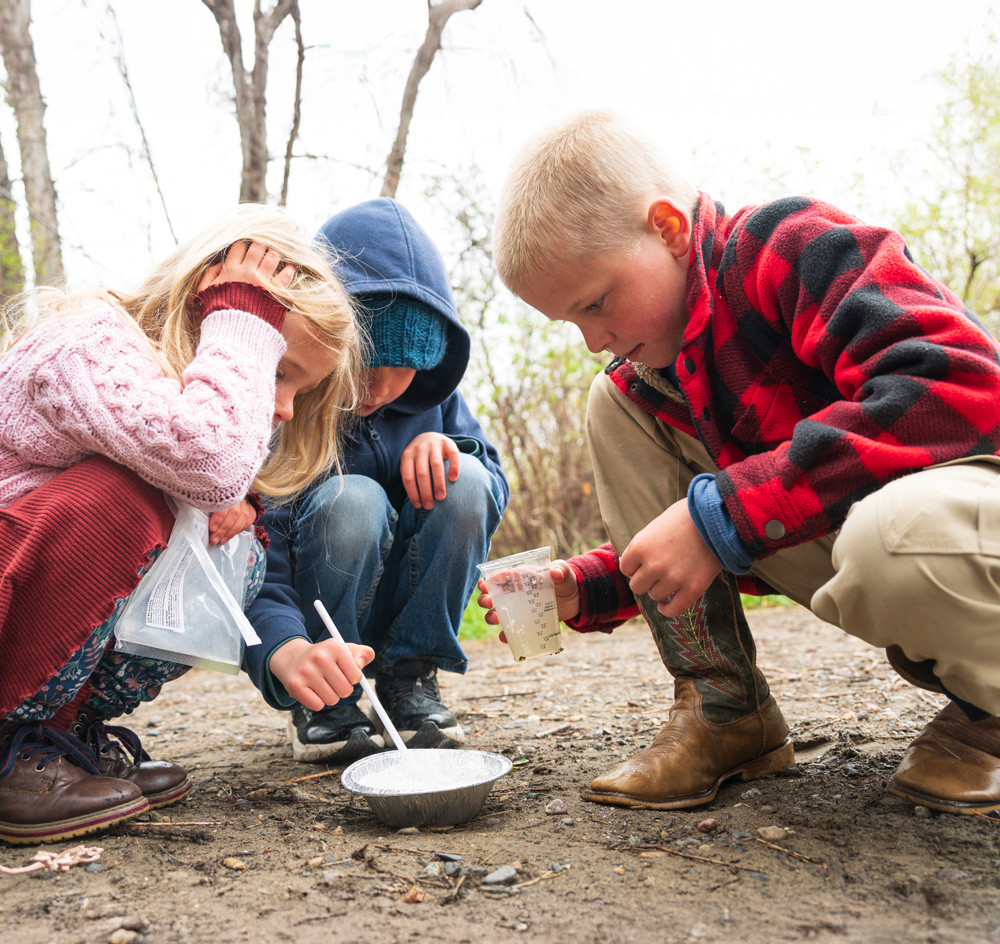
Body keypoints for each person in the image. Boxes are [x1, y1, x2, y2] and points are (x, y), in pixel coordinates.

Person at [484, 109, 1000, 816]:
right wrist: (584, 585)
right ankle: (725, 712)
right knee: (615, 401)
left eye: (596, 304)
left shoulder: (791, 246)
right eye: (572, 324)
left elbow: (958, 385)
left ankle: (989, 714)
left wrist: (720, 515)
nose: (593, 339)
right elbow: (750, 522)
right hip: (884, 529)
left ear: (666, 228)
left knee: (881, 536)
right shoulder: (664, 378)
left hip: (976, 512)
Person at [0, 206, 369, 844]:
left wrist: (224, 508)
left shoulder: (149, 393)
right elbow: (206, 459)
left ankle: (56, 734)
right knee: (119, 500)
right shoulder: (87, 345)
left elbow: (208, 481)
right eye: (279, 373)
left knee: (236, 545)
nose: (282, 406)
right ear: (212, 312)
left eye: (299, 391)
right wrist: (247, 316)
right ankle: (12, 740)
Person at [244, 198, 509, 763]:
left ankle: (410, 675)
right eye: (362, 361)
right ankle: (327, 697)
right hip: (324, 621)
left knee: (466, 481)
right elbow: (259, 552)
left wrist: (450, 448)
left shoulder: (436, 402)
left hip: (406, 608)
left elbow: (494, 483)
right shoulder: (291, 408)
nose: (379, 385)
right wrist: (281, 649)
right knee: (352, 497)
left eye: (402, 364)